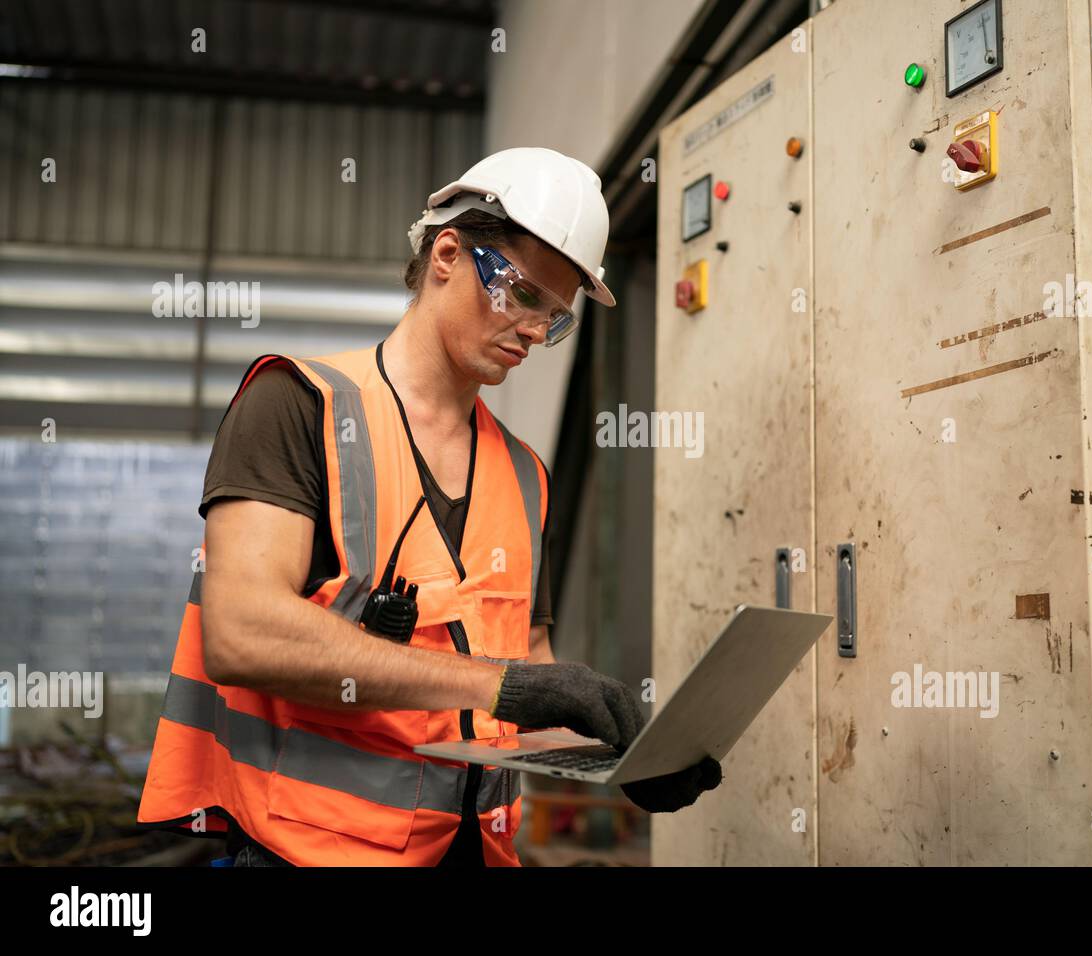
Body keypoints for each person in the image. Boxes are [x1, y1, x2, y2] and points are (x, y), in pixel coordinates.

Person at [136, 147, 720, 867]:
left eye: (556, 317)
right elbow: (241, 633)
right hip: (310, 853)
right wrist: (507, 685)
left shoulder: (525, 475)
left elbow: (522, 680)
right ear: (448, 253)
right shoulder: (296, 406)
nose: (537, 331)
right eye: (524, 294)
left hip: (476, 852)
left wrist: (622, 754)